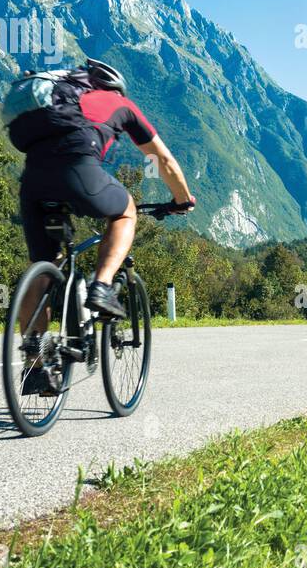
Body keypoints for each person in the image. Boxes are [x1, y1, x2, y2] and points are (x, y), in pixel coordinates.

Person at [16, 58, 194, 354]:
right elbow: (163, 161)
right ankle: (102, 285)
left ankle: (37, 364)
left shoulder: (58, 101)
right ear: (115, 88)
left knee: (44, 268)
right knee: (126, 211)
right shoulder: (120, 103)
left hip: (32, 181)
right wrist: (183, 199)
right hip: (79, 171)